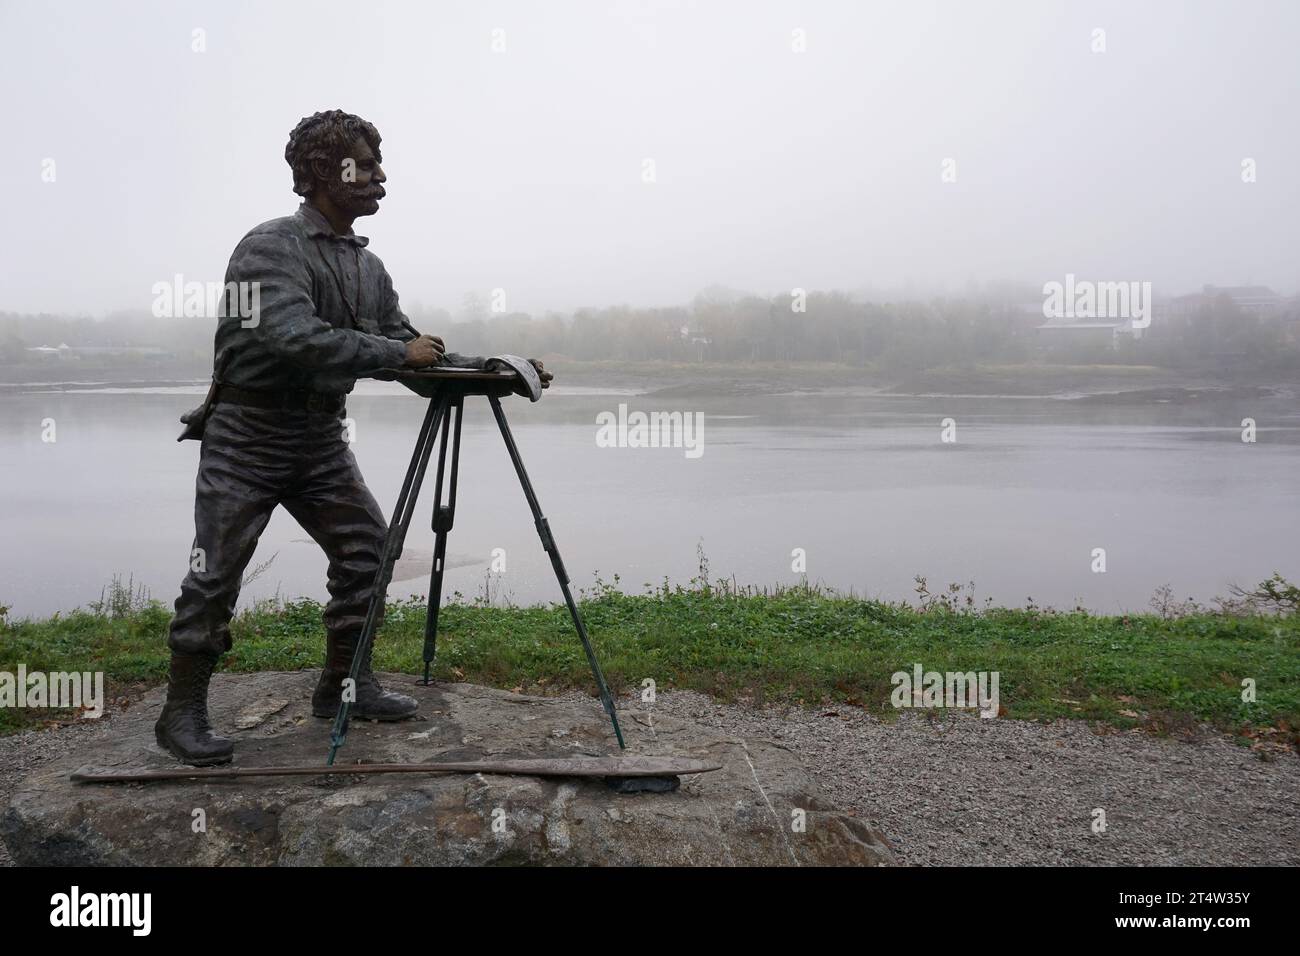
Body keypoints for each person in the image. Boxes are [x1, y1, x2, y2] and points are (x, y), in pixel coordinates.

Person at [156, 110, 550, 765]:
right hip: (245, 436)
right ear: (319, 172)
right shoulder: (268, 247)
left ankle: (345, 686)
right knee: (216, 573)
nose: (380, 177)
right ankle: (180, 714)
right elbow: (296, 338)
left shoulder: (369, 271)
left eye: (377, 165)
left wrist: (503, 373)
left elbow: (414, 357)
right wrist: (401, 356)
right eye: (364, 165)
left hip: (318, 438)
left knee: (369, 551)